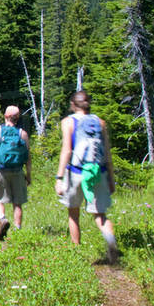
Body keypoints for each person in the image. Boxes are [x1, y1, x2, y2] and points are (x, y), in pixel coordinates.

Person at [54, 90, 118, 262]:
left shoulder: (68, 122)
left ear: (73, 105)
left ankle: (76, 252)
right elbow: (108, 154)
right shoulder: (100, 123)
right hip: (99, 172)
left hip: (76, 172)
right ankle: (110, 240)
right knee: (100, 215)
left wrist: (59, 178)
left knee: (73, 213)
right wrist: (111, 179)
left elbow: (67, 150)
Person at [0, 105, 31, 241]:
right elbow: (27, 157)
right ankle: (17, 231)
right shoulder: (22, 133)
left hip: (0, 170)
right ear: (18, 118)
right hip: (17, 171)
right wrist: (28, 174)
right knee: (18, 202)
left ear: (5, 116)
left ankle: (3, 219)